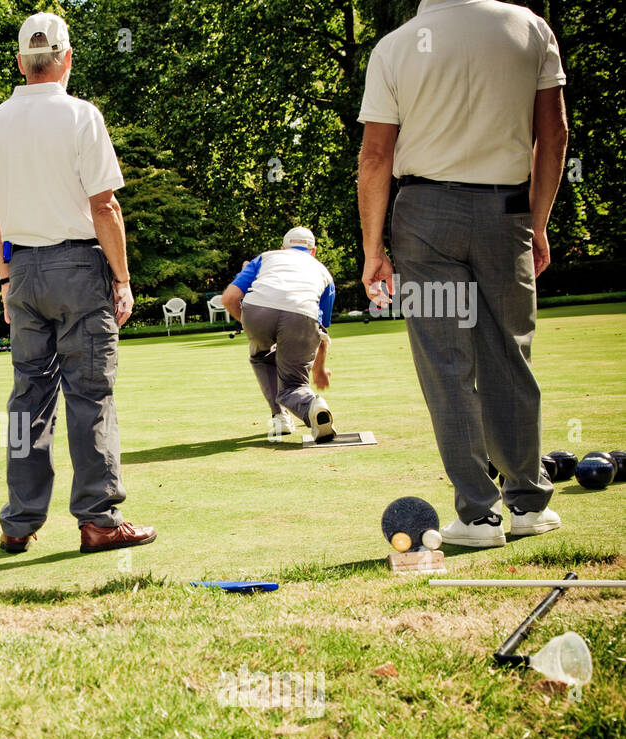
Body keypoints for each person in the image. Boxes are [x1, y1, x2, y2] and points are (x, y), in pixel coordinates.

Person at [357, 0, 567, 549]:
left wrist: (372, 248)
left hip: (425, 219)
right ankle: (526, 503)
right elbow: (555, 133)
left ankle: (477, 517)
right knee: (509, 355)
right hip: (506, 215)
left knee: (446, 365)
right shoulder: (530, 29)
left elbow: (376, 157)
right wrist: (538, 223)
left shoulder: (396, 44)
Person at [0, 11, 155, 555]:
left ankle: (19, 521)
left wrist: (6, 278)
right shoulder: (81, 117)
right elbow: (105, 205)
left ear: (20, 62)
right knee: (90, 395)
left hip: (23, 270)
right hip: (78, 270)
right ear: (67, 58)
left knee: (29, 397)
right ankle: (98, 519)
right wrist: (121, 278)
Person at [221, 227, 337, 442]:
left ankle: (280, 417)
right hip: (301, 316)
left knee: (261, 357)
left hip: (256, 310)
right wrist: (319, 369)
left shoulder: (265, 258)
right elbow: (321, 330)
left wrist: (250, 325)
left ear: (283, 248)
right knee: (293, 385)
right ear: (314, 251)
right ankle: (312, 405)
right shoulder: (323, 273)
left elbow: (229, 299)